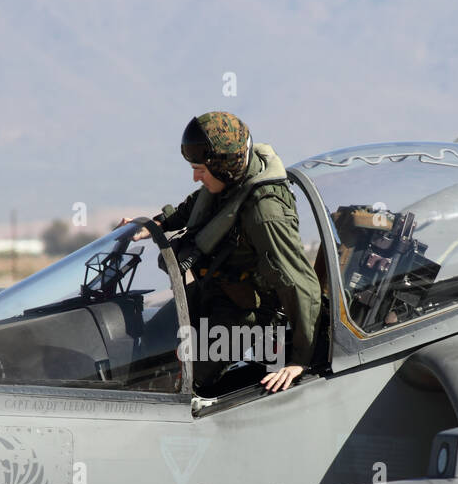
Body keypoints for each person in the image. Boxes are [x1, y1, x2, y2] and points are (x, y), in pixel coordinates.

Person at [138, 112, 322, 394]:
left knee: (181, 384)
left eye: (200, 169)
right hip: (212, 292)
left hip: (245, 315)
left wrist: (300, 360)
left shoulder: (265, 213)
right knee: (146, 350)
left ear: (225, 167)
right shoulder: (230, 184)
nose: (195, 176)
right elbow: (197, 205)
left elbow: (298, 283)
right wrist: (160, 223)